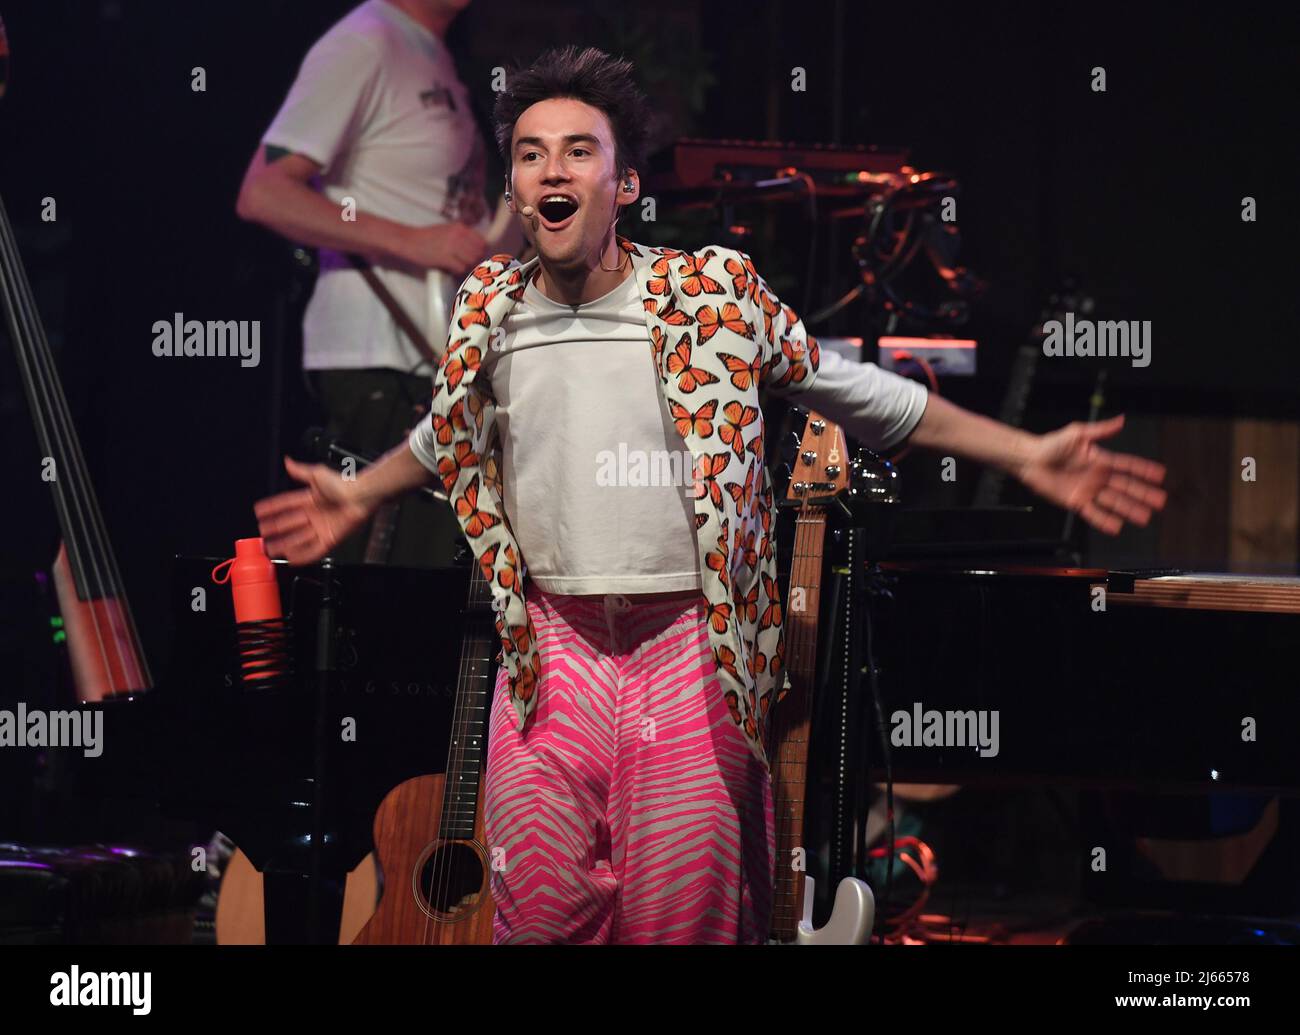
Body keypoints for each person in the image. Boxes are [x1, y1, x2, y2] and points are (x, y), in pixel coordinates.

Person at [253, 46, 1168, 944]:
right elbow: (446, 428)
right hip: (548, 657)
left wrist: (1028, 451)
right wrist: (360, 493)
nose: (550, 169)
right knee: (536, 917)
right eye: (529, 154)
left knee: (679, 920)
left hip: (687, 655)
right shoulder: (490, 306)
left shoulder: (713, 295)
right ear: (514, 191)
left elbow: (858, 392)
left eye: (579, 150)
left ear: (626, 187)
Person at [237, 0, 509, 566]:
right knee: (389, 598)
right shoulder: (365, 41)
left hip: (431, 357)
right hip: (379, 363)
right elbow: (264, 192)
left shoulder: (432, 54)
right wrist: (417, 241)